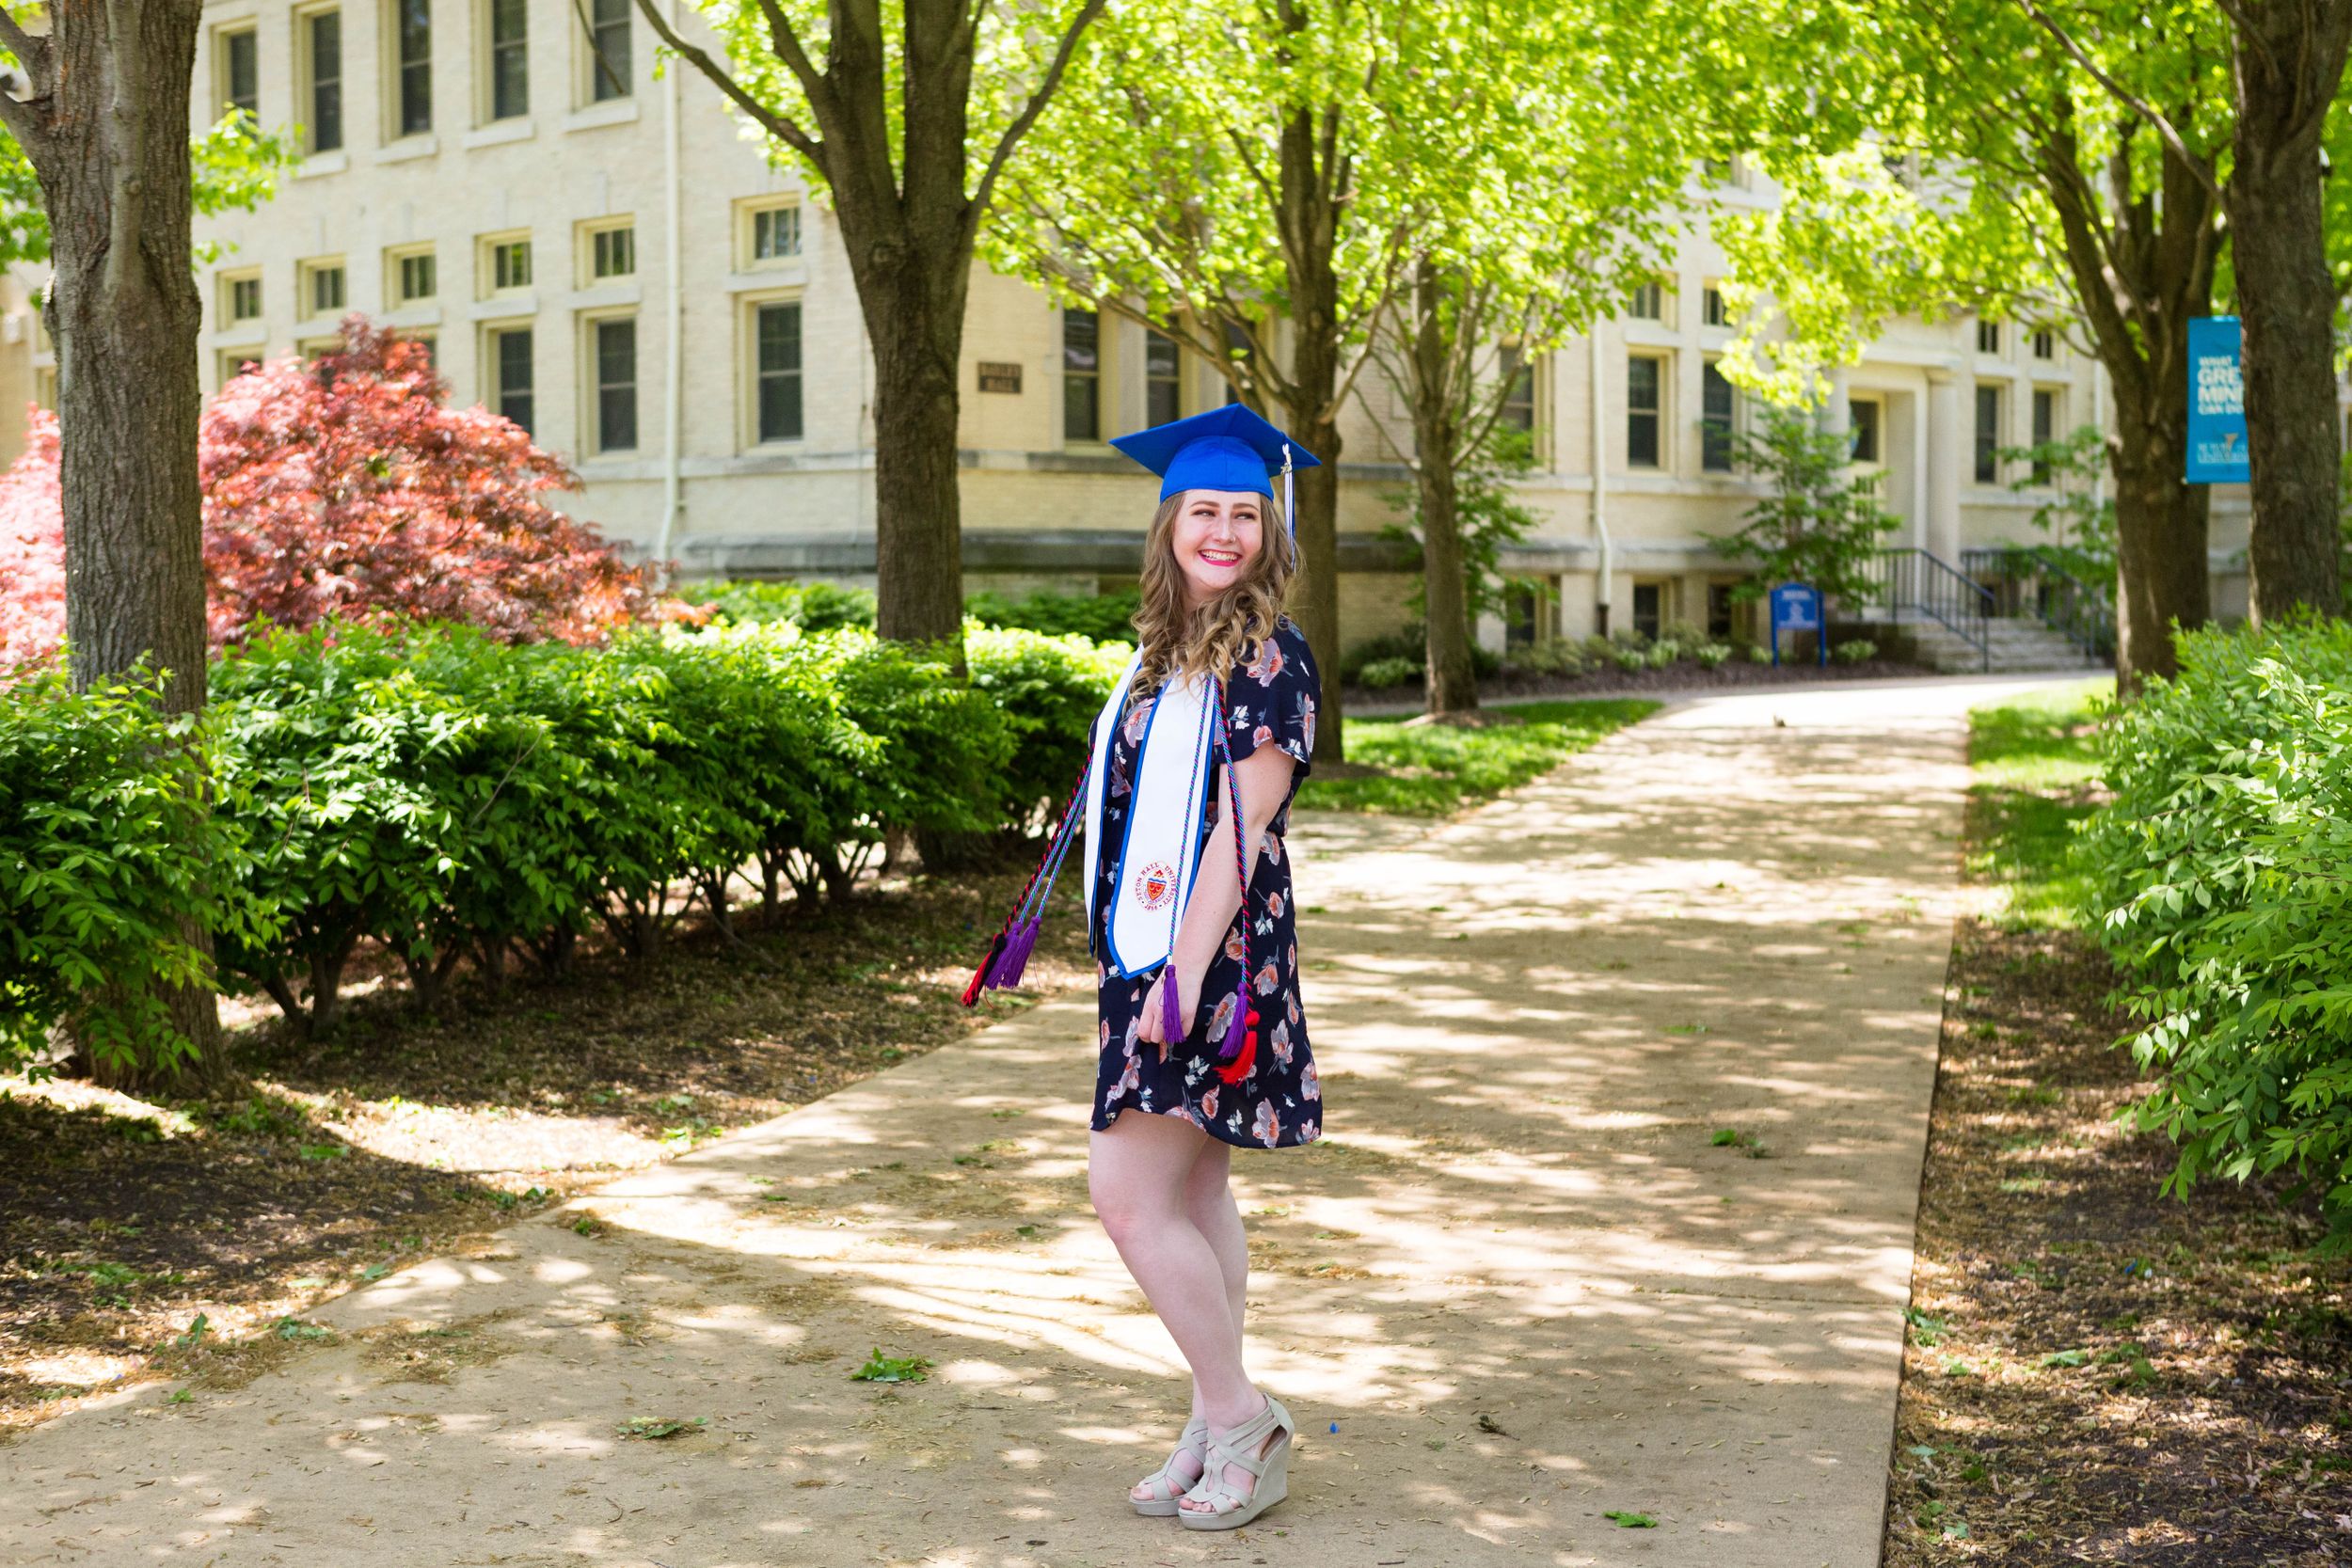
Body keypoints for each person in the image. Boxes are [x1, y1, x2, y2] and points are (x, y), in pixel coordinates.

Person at [1080, 404, 1325, 1531]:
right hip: (1153, 944)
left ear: (1269, 530)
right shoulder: (1159, 654)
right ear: (1169, 523)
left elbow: (1243, 826)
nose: (1224, 531)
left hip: (1210, 955)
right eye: (1204, 511)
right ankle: (1207, 1415)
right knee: (1191, 1189)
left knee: (1127, 1197)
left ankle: (1241, 1416)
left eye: (1245, 513)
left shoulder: (1271, 654)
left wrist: (1177, 977)